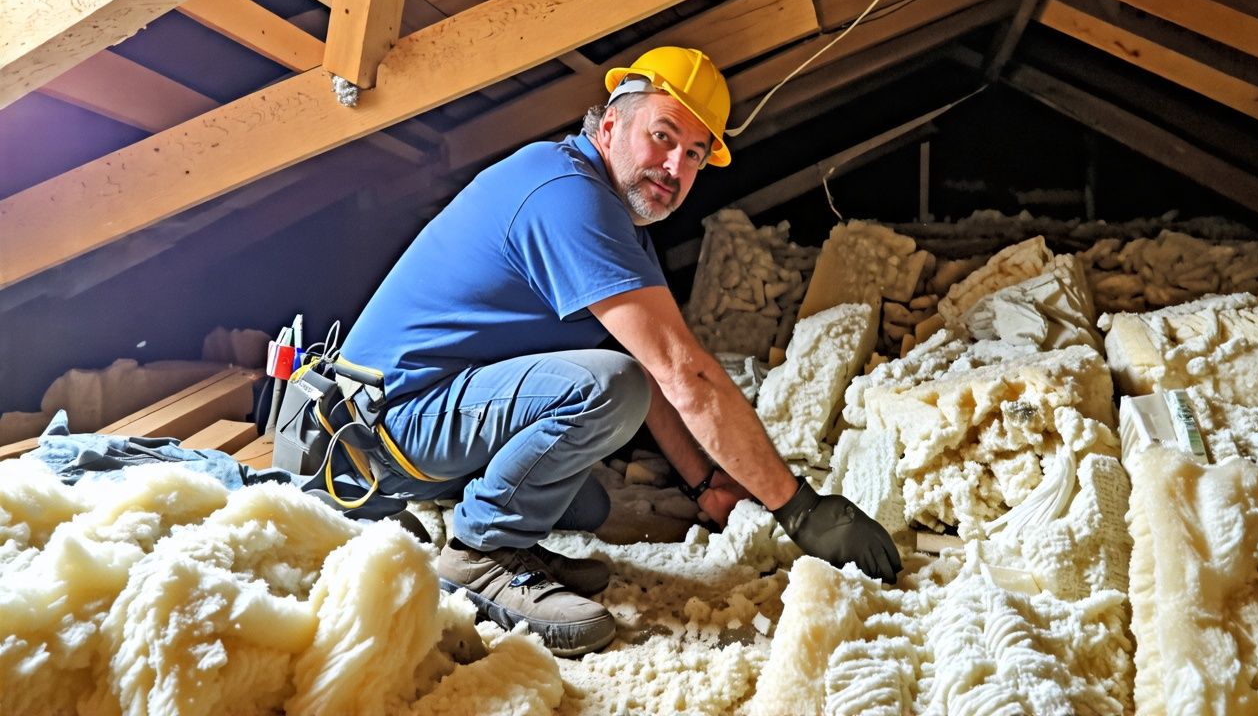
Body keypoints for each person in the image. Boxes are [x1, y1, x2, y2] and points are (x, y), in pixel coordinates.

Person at [338, 46, 901, 657]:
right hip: (382, 430)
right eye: (662, 137)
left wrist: (706, 485)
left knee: (586, 500)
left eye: (692, 155)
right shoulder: (567, 199)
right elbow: (683, 375)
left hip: (421, 416)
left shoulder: (611, 212)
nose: (673, 166)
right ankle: (479, 554)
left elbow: (657, 366)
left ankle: (507, 538)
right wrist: (800, 508)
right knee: (608, 389)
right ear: (609, 125)